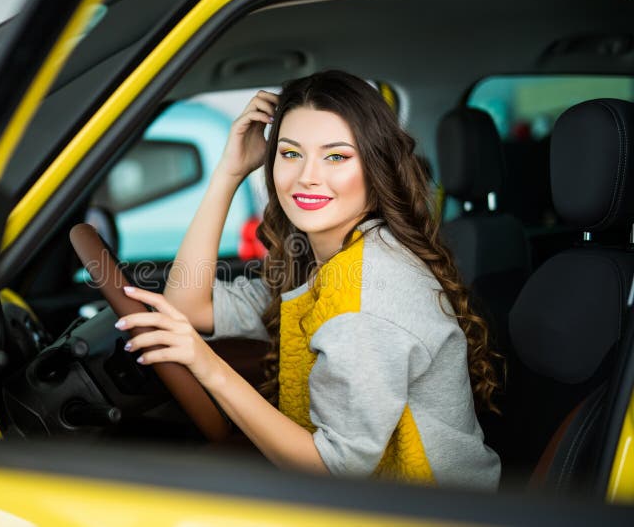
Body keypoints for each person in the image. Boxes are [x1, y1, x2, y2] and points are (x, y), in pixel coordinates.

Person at [113, 70, 501, 489]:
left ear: (375, 168)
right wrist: (228, 172)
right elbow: (190, 307)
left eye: (336, 156)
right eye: (290, 153)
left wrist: (208, 367)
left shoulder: (367, 295)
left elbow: (333, 472)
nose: (306, 177)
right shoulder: (328, 260)